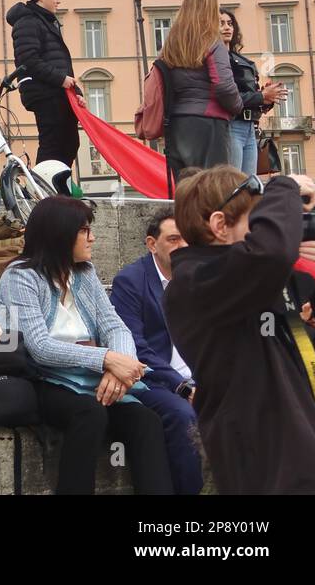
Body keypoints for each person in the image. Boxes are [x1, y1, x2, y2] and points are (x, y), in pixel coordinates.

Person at [0, 196, 173, 494]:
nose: (92, 238)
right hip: (41, 377)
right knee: (89, 413)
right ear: (59, 233)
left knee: (145, 420)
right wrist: (106, 359)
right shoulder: (21, 277)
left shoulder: (84, 273)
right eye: (84, 230)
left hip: (89, 376)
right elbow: (39, 346)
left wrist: (118, 369)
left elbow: (115, 326)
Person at [164, 166, 315, 494]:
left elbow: (302, 357)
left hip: (297, 446)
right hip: (263, 457)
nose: (266, 230)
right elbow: (271, 253)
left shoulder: (246, 280)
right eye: (258, 221)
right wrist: (283, 187)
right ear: (220, 225)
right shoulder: (194, 282)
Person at [109, 210, 202, 495]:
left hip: (197, 375)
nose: (182, 246)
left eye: (187, 239)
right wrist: (182, 386)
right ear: (152, 244)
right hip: (153, 380)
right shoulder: (131, 281)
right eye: (173, 239)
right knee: (183, 415)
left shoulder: (198, 277)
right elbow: (135, 346)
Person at [160, 0, 242, 178]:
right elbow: (224, 86)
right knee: (212, 183)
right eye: (215, 11)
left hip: (176, 123)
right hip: (209, 123)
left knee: (185, 184)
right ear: (207, 12)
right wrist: (237, 106)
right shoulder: (213, 43)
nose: (218, 16)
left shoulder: (171, 45)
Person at [6, 0, 80, 168]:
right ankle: (44, 184)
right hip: (45, 93)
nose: (58, 1)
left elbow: (60, 62)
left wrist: (76, 92)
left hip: (57, 91)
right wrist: (61, 79)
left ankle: (57, 184)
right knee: (52, 144)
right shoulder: (27, 22)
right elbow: (29, 60)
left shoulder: (46, 22)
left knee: (69, 143)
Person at [220, 10, 284, 175]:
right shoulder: (217, 60)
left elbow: (247, 97)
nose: (227, 27)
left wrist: (267, 99)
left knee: (249, 184)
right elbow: (228, 97)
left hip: (250, 127)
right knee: (234, 182)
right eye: (221, 23)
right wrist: (262, 96)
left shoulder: (241, 60)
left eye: (230, 23)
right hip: (231, 125)